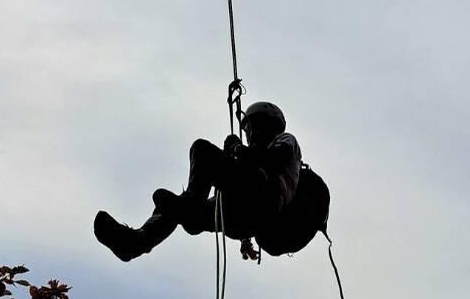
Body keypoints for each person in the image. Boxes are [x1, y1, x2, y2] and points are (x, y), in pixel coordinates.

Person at [93, 100, 329, 262]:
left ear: (266, 124)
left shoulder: (285, 140)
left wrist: (238, 150)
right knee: (175, 207)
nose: (249, 133)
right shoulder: (251, 157)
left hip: (263, 199)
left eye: (251, 126)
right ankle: (137, 241)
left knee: (202, 150)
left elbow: (273, 160)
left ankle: (190, 209)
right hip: (243, 213)